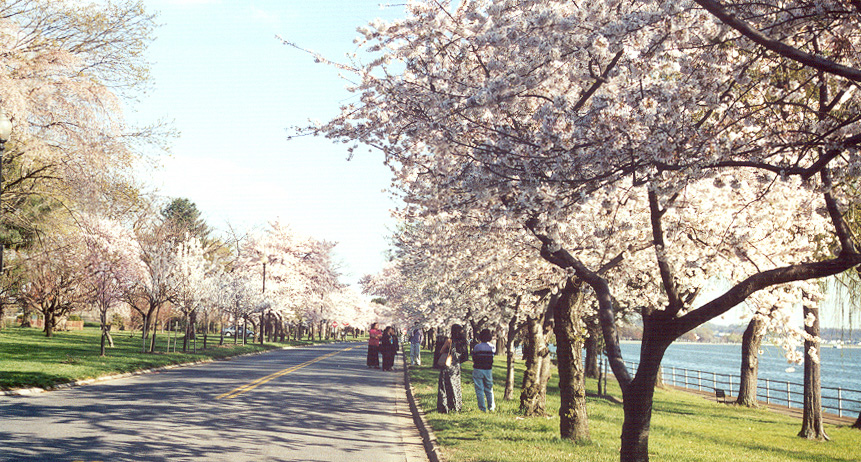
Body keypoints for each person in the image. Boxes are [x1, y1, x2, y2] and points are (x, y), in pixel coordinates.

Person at [435, 324, 469, 413]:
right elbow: (465, 356)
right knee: (456, 386)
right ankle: (457, 405)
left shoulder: (449, 341)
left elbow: (441, 351)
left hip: (448, 366)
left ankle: (444, 406)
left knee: (445, 386)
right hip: (456, 367)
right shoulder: (463, 342)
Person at [472, 328, 496, 412]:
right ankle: (491, 407)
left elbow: (474, 357)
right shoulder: (492, 347)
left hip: (478, 369)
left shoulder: (477, 347)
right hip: (488, 369)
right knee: (489, 389)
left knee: (479, 389)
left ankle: (482, 408)